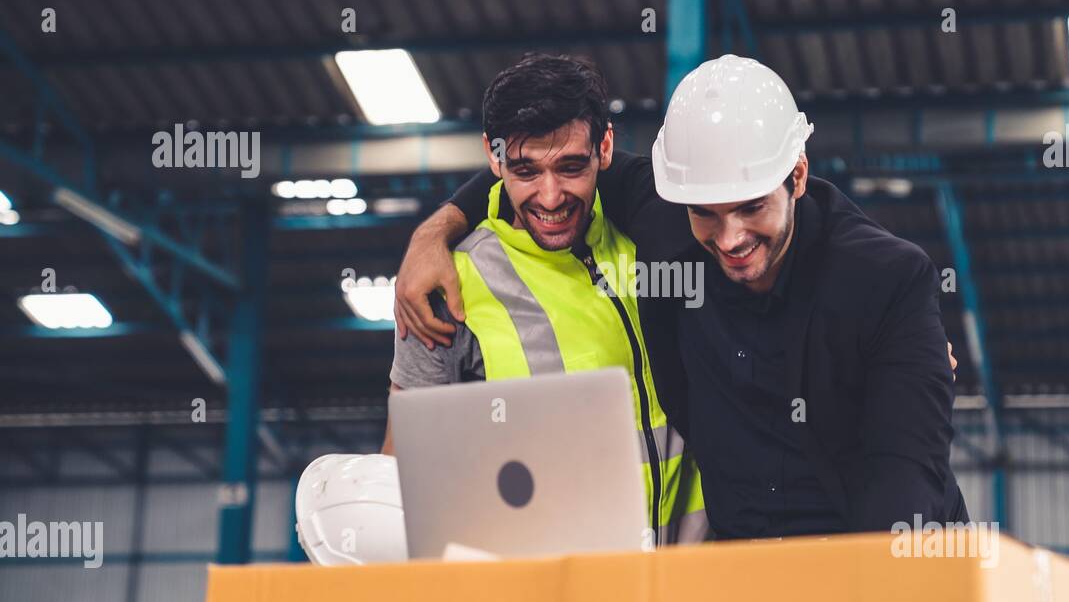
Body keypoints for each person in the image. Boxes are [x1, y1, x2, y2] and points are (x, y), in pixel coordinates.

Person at [398, 54, 968, 539]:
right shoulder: (668, 227)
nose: (731, 238)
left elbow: (903, 487)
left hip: (880, 567)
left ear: (796, 176)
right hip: (740, 590)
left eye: (752, 207)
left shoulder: (885, 283)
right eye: (707, 214)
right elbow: (545, 167)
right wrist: (435, 231)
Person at [381, 53, 707, 545]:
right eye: (526, 171)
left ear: (605, 148)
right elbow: (400, 474)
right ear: (494, 160)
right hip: (552, 601)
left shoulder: (648, 243)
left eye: (571, 167)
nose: (551, 197)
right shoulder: (450, 286)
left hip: (689, 586)